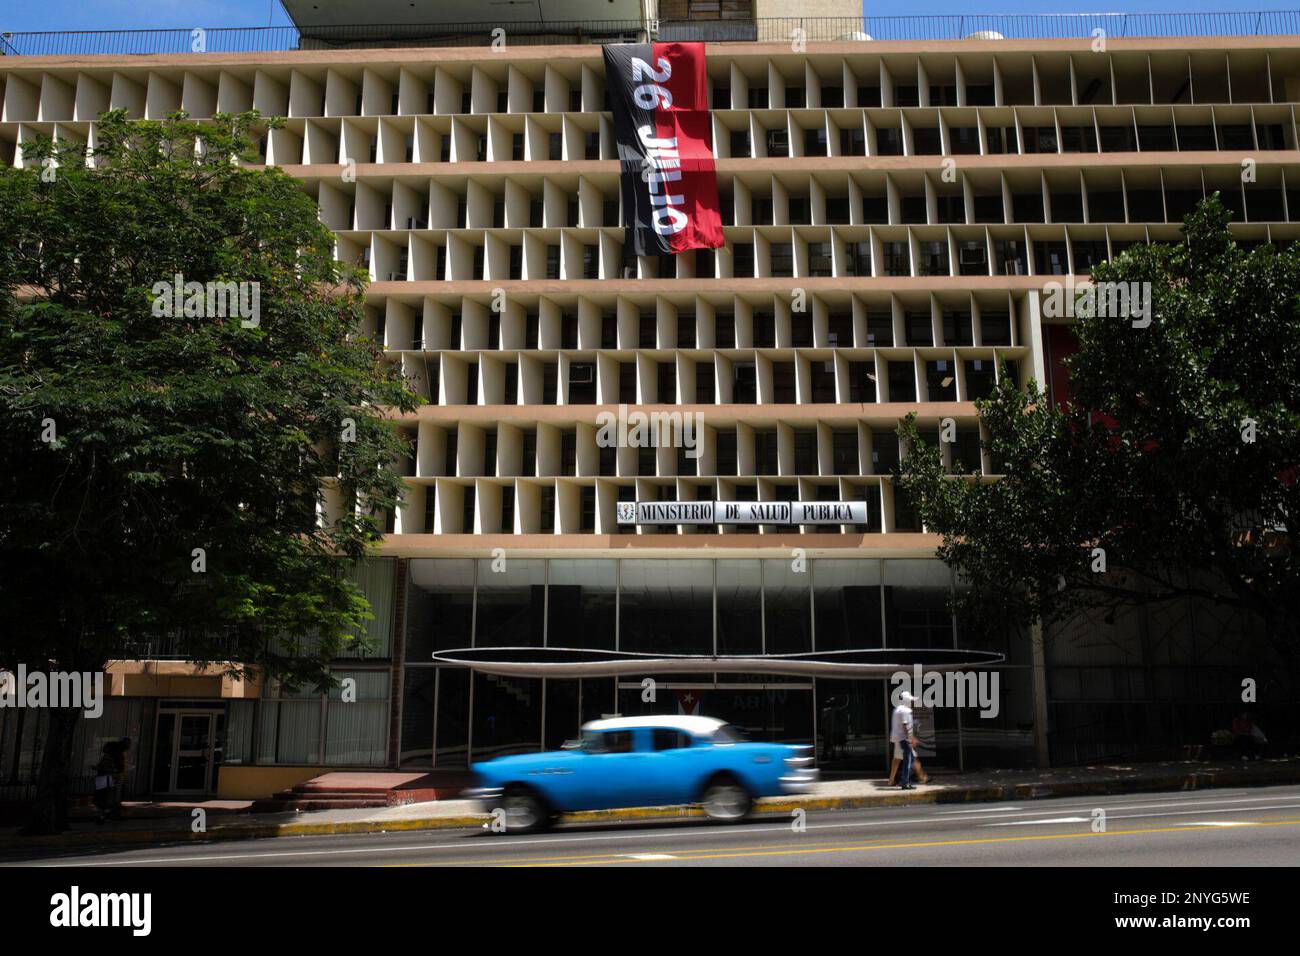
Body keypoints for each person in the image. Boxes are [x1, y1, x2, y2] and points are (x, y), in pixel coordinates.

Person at [890, 692, 920, 790]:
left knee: (909, 759)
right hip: (904, 739)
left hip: (899, 738)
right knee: (908, 760)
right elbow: (905, 725)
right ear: (907, 701)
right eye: (911, 700)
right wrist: (911, 739)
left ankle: (905, 780)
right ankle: (905, 782)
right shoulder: (905, 711)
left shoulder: (897, 709)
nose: (911, 702)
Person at [92, 744, 116, 824]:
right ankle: (103, 816)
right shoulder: (111, 758)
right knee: (105, 799)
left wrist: (96, 768)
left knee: (101, 799)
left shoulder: (106, 758)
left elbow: (104, 768)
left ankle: (102, 816)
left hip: (104, 780)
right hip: (107, 780)